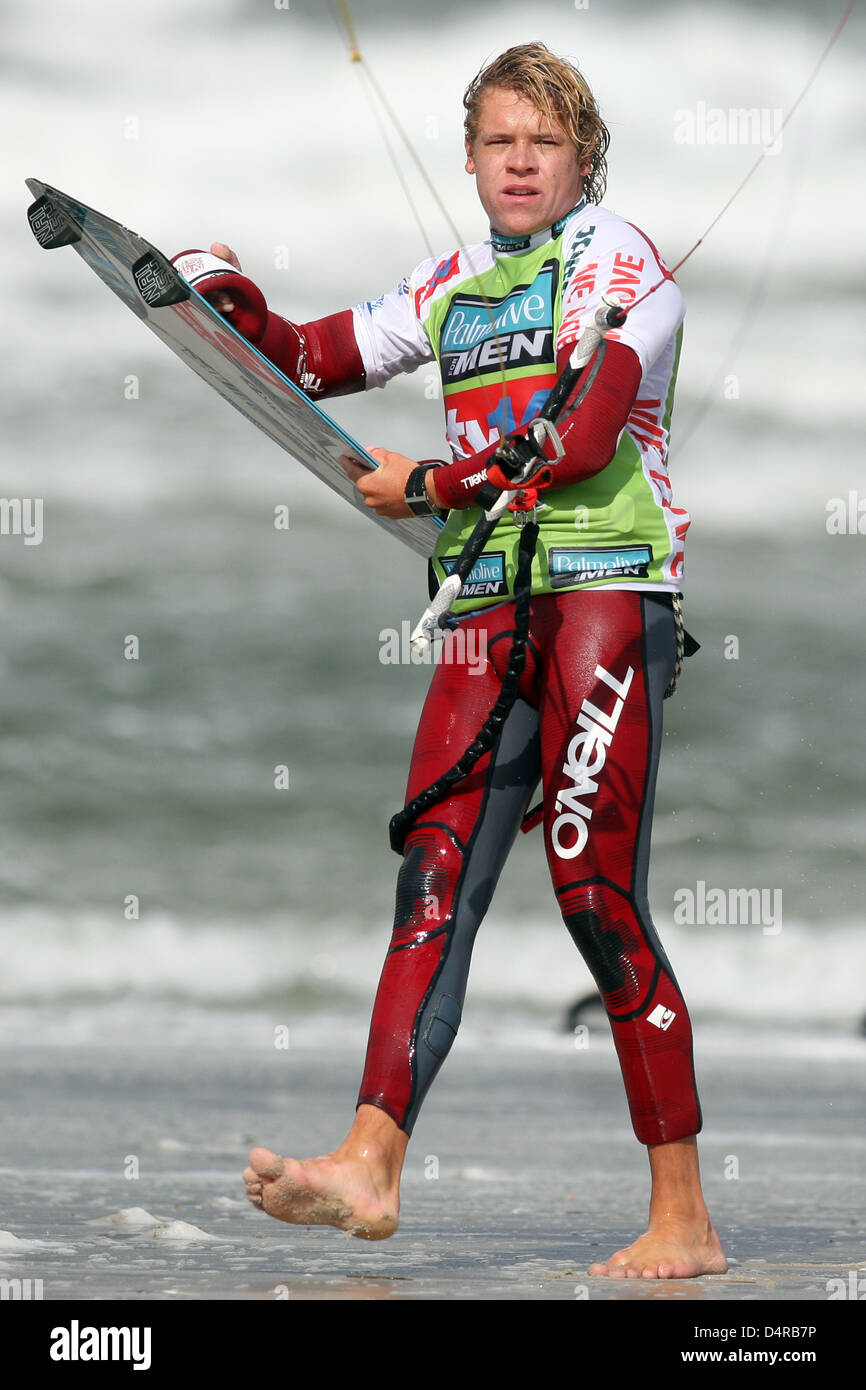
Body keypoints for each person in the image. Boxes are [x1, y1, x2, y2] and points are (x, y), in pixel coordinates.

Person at [201, 42, 727, 1280]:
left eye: (544, 141)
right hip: (488, 607)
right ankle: (369, 1163)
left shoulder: (621, 267)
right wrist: (225, 298)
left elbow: (584, 435)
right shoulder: (447, 287)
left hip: (603, 594)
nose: (521, 161)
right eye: (499, 141)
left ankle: (685, 1218)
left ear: (584, 155)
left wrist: (427, 482)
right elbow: (315, 356)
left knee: (592, 891)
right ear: (473, 159)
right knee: (432, 872)